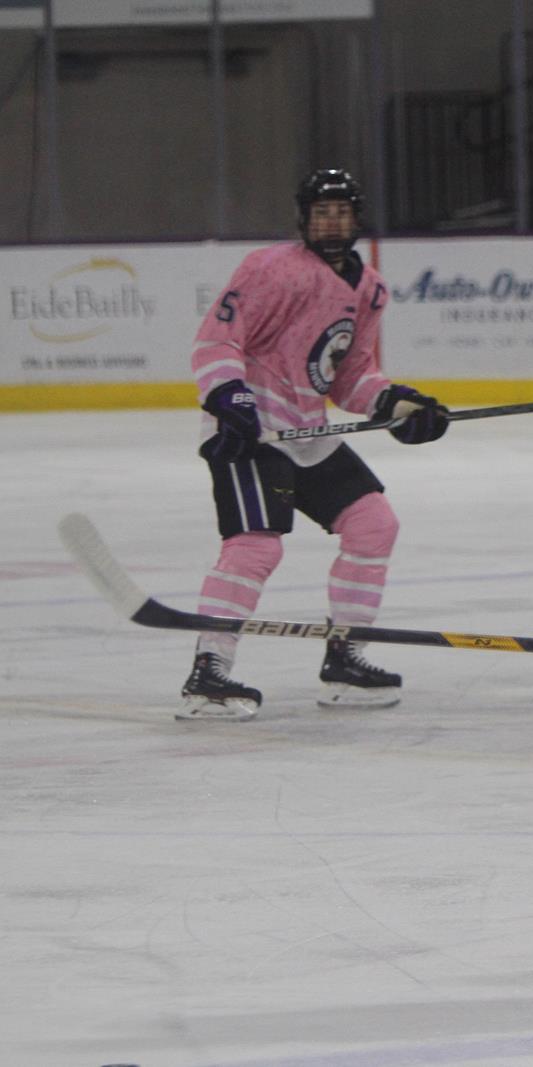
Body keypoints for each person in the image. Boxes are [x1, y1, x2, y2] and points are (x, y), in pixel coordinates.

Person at [178, 168, 450, 722]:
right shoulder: (270, 269)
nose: (331, 222)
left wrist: (400, 406)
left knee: (374, 524)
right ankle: (209, 671)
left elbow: (350, 378)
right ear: (304, 218)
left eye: (341, 212)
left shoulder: (370, 288)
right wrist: (230, 399)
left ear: (356, 220)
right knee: (257, 545)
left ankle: (345, 657)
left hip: (308, 432)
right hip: (253, 433)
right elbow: (216, 339)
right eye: (321, 212)